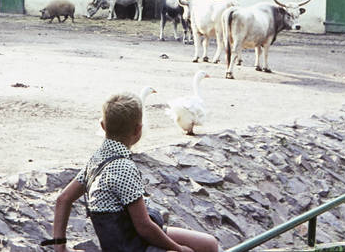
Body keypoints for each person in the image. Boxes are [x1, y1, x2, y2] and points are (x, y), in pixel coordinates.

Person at [50, 92, 219, 252]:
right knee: (206, 246)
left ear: (103, 126)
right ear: (138, 130)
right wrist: (178, 249)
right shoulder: (124, 168)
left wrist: (60, 246)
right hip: (134, 245)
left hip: (128, 236)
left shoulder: (97, 159)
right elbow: (144, 227)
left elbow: (63, 199)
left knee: (208, 244)